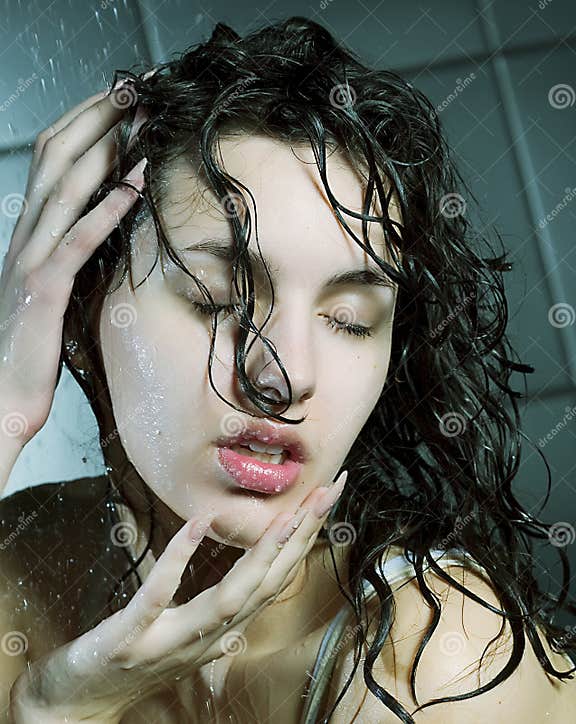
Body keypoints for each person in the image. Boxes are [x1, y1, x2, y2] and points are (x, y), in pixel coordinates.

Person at [0, 15, 575, 724]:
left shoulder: (439, 663)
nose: (287, 375)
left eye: (351, 319)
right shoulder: (25, 555)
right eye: (219, 299)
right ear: (83, 308)